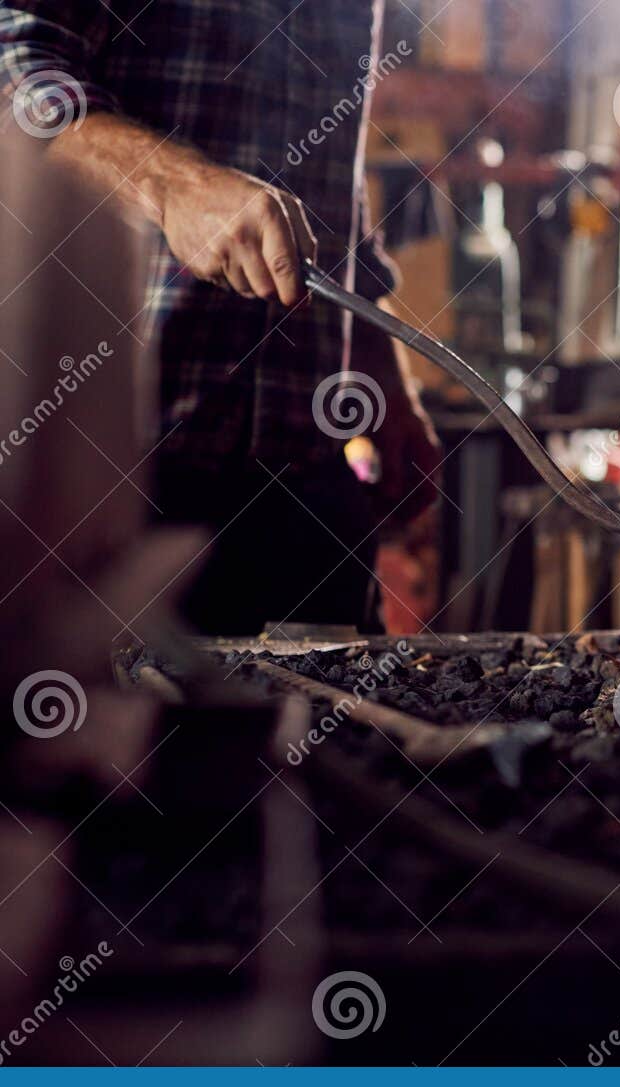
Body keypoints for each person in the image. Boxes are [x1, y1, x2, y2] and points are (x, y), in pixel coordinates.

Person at [0, 1, 442, 633]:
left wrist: (381, 363)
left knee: (344, 723)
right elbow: (14, 76)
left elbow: (329, 178)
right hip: (114, 485)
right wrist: (175, 185)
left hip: (301, 484)